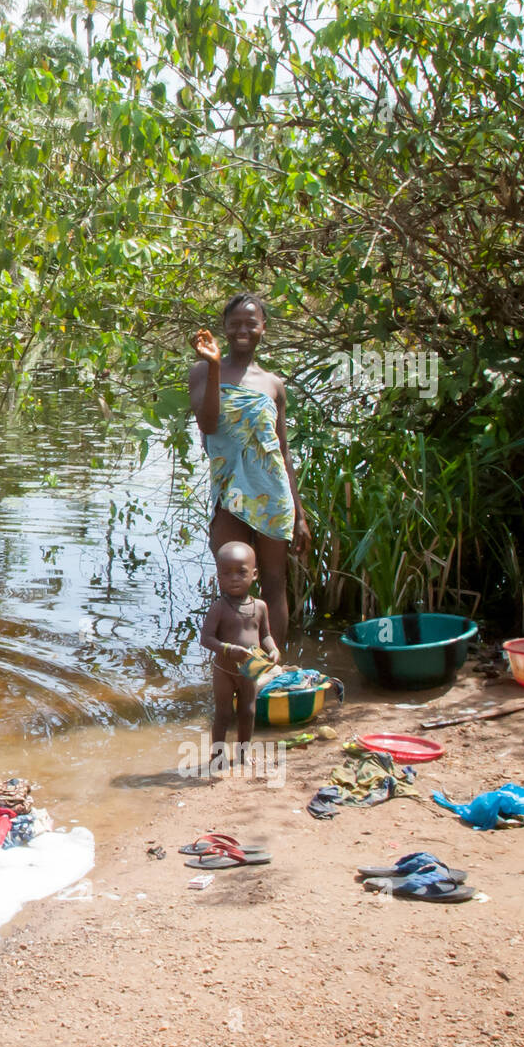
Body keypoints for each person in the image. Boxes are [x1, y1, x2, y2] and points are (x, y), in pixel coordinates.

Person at [189, 292, 310, 645]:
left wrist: (299, 514)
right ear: (224, 329)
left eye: (250, 323)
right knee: (233, 586)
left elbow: (282, 453)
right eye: (235, 323)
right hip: (230, 494)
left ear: (263, 329)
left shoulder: (273, 384)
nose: (243, 329)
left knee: (274, 582)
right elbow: (208, 424)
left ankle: (272, 671)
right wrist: (212, 366)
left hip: (272, 492)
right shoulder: (202, 371)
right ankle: (235, 670)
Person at [199, 541, 279, 772]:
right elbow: (206, 639)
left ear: (254, 574)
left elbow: (265, 636)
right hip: (224, 670)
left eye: (241, 572)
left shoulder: (260, 607)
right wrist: (227, 649)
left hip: (249, 670)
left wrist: (273, 650)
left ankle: (243, 753)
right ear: (219, 577)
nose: (234, 578)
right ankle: (217, 754)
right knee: (223, 713)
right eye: (227, 573)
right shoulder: (219, 608)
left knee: (248, 710)